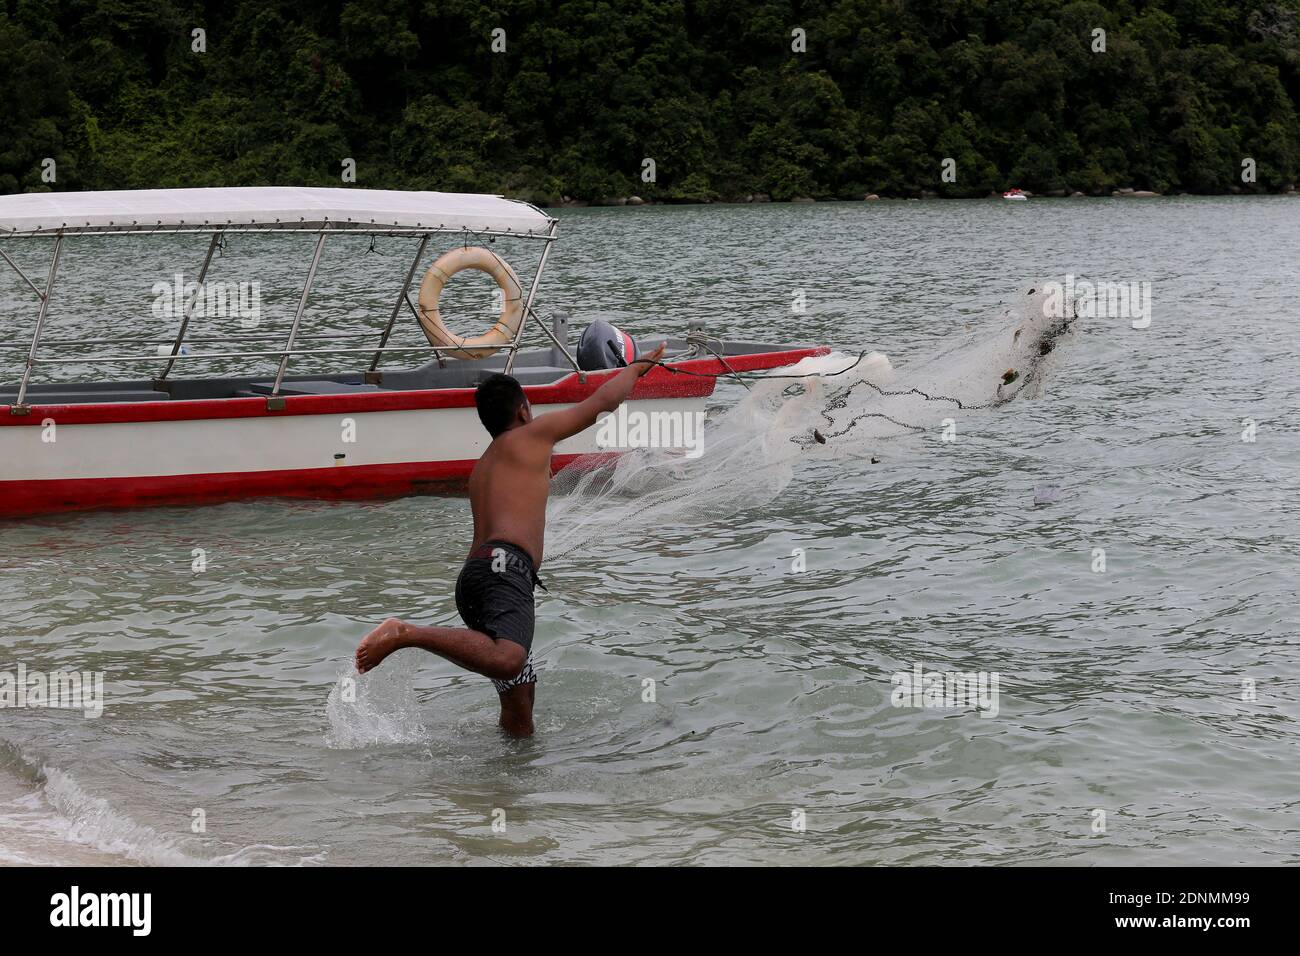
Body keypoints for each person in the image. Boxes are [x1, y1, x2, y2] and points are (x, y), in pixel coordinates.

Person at [355, 342, 668, 736]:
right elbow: (602, 403)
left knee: (520, 703)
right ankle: (405, 633)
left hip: (475, 578)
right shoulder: (531, 435)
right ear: (523, 411)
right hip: (504, 570)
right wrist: (638, 368)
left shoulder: (484, 465)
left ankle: (512, 767)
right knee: (509, 660)